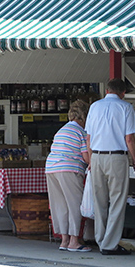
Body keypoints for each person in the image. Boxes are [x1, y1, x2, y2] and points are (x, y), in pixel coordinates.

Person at [86, 78, 135, 255]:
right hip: (116, 157)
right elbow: (129, 139)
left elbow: (88, 138)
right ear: (123, 92)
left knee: (99, 200)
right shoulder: (125, 107)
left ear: (107, 90)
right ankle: (110, 244)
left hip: (97, 156)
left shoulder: (94, 107)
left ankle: (101, 239)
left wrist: (90, 160)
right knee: (117, 201)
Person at [45, 100, 91, 252]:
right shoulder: (81, 132)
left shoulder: (62, 130)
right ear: (84, 116)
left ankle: (64, 240)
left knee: (60, 205)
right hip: (69, 168)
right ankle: (74, 242)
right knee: (74, 204)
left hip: (51, 168)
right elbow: (86, 157)